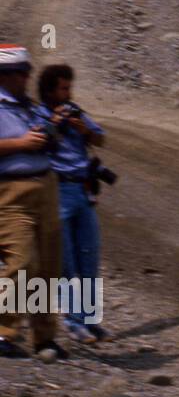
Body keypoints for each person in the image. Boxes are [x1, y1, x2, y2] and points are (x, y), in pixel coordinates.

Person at [0, 44, 67, 361]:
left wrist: (51, 133)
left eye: (27, 72)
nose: (27, 78)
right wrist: (21, 144)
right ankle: (4, 330)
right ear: (6, 76)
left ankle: (44, 338)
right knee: (22, 262)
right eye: (21, 73)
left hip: (45, 185)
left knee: (49, 267)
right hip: (10, 192)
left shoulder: (29, 106)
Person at [36, 64, 108, 343]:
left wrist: (84, 130)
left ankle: (90, 320)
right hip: (58, 190)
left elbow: (101, 138)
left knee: (89, 256)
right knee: (66, 262)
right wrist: (54, 125)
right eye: (63, 88)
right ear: (50, 90)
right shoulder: (38, 115)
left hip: (82, 189)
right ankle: (73, 321)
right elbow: (40, 144)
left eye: (69, 87)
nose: (68, 93)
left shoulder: (76, 111)